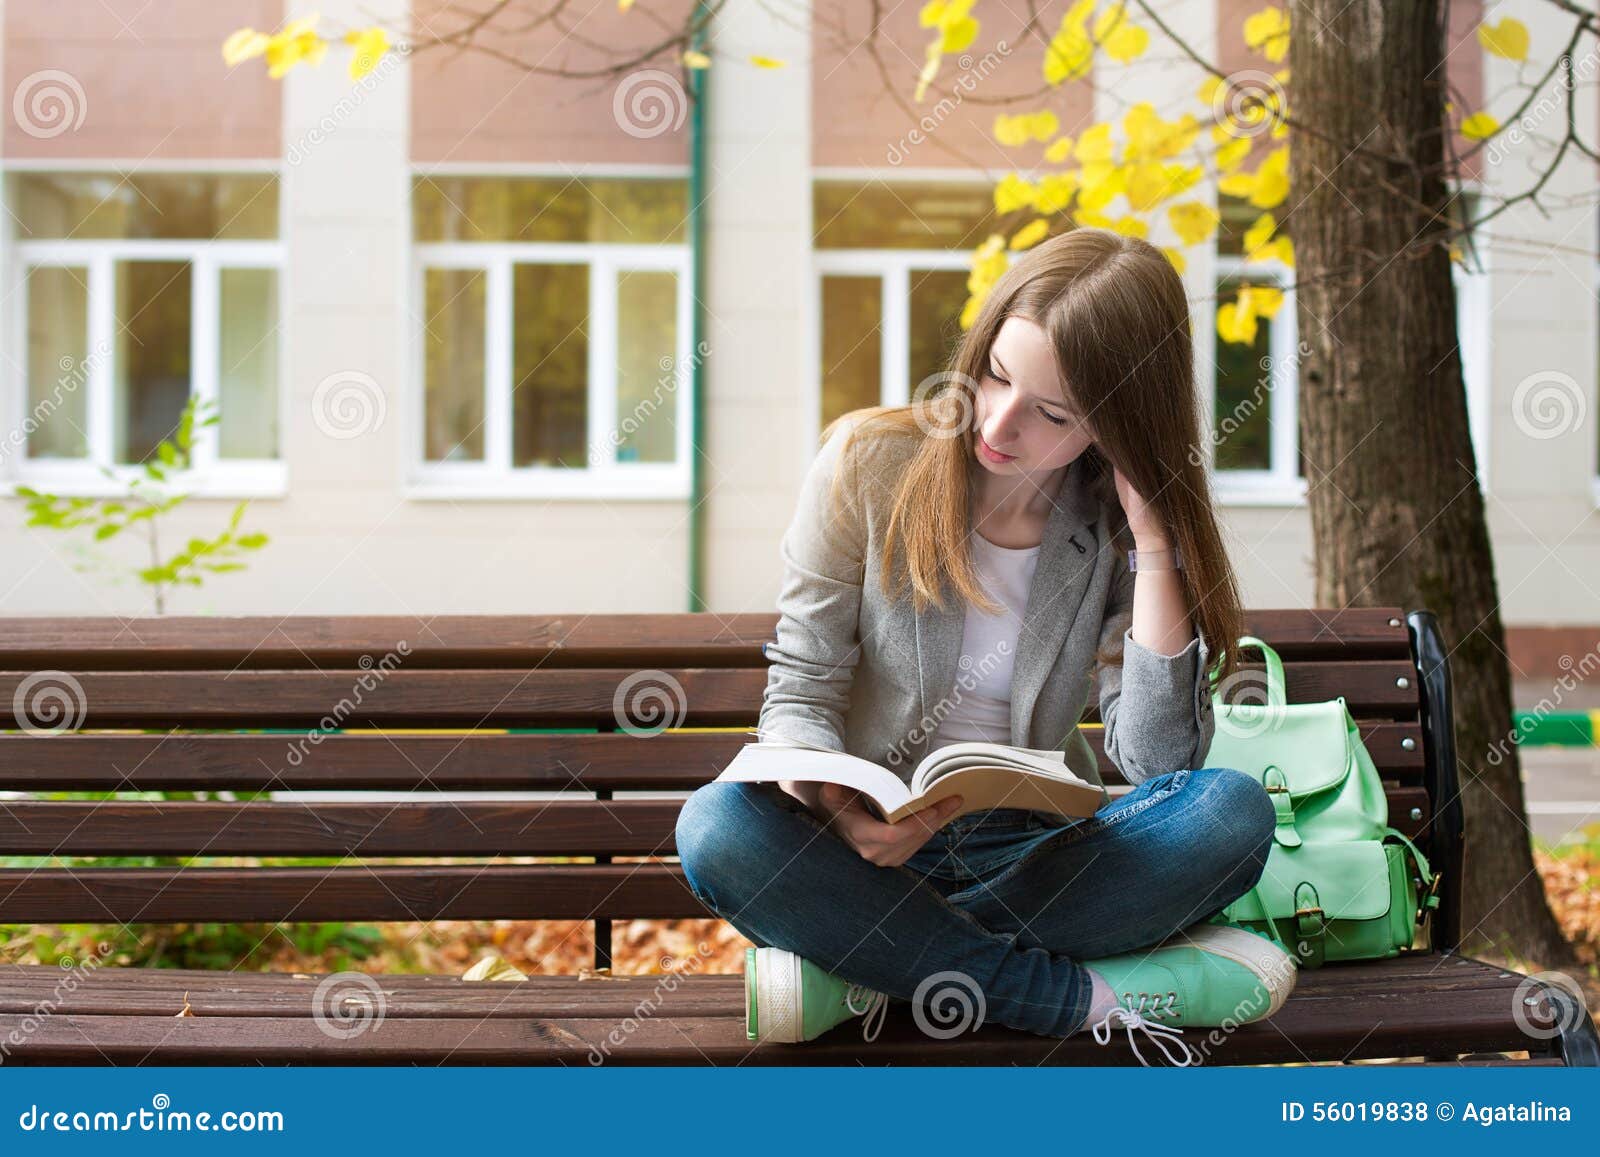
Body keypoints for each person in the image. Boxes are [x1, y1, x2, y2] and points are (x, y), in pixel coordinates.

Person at [674, 228, 1291, 1065]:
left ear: (1115, 424)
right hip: (861, 850)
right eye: (997, 373)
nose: (998, 421)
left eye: (1054, 412)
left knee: (1231, 812)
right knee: (717, 827)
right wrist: (833, 803)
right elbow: (802, 688)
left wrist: (1153, 541)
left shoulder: (1110, 528)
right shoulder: (866, 462)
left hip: (1032, 857)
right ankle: (1074, 995)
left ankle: (869, 966)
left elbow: (1155, 762)